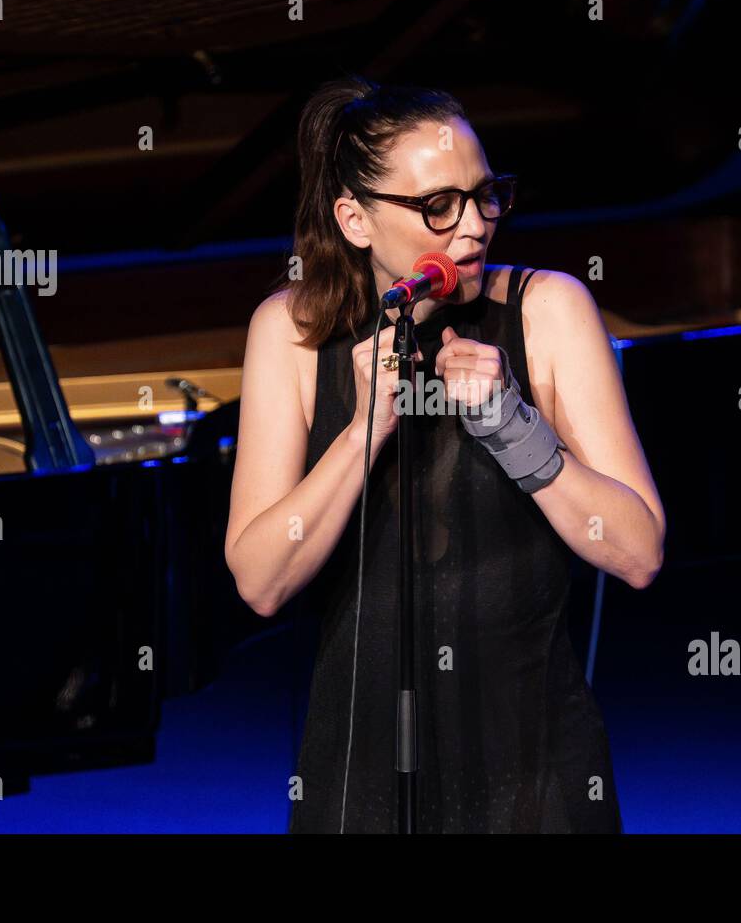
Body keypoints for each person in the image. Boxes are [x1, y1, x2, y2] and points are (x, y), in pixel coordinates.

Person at [224, 75, 665, 833]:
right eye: (438, 206)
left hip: (533, 767)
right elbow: (261, 581)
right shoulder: (290, 333)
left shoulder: (549, 309)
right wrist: (363, 431)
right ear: (356, 220)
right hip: (358, 767)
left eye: (485, 194)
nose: (473, 227)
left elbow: (638, 553)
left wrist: (519, 429)